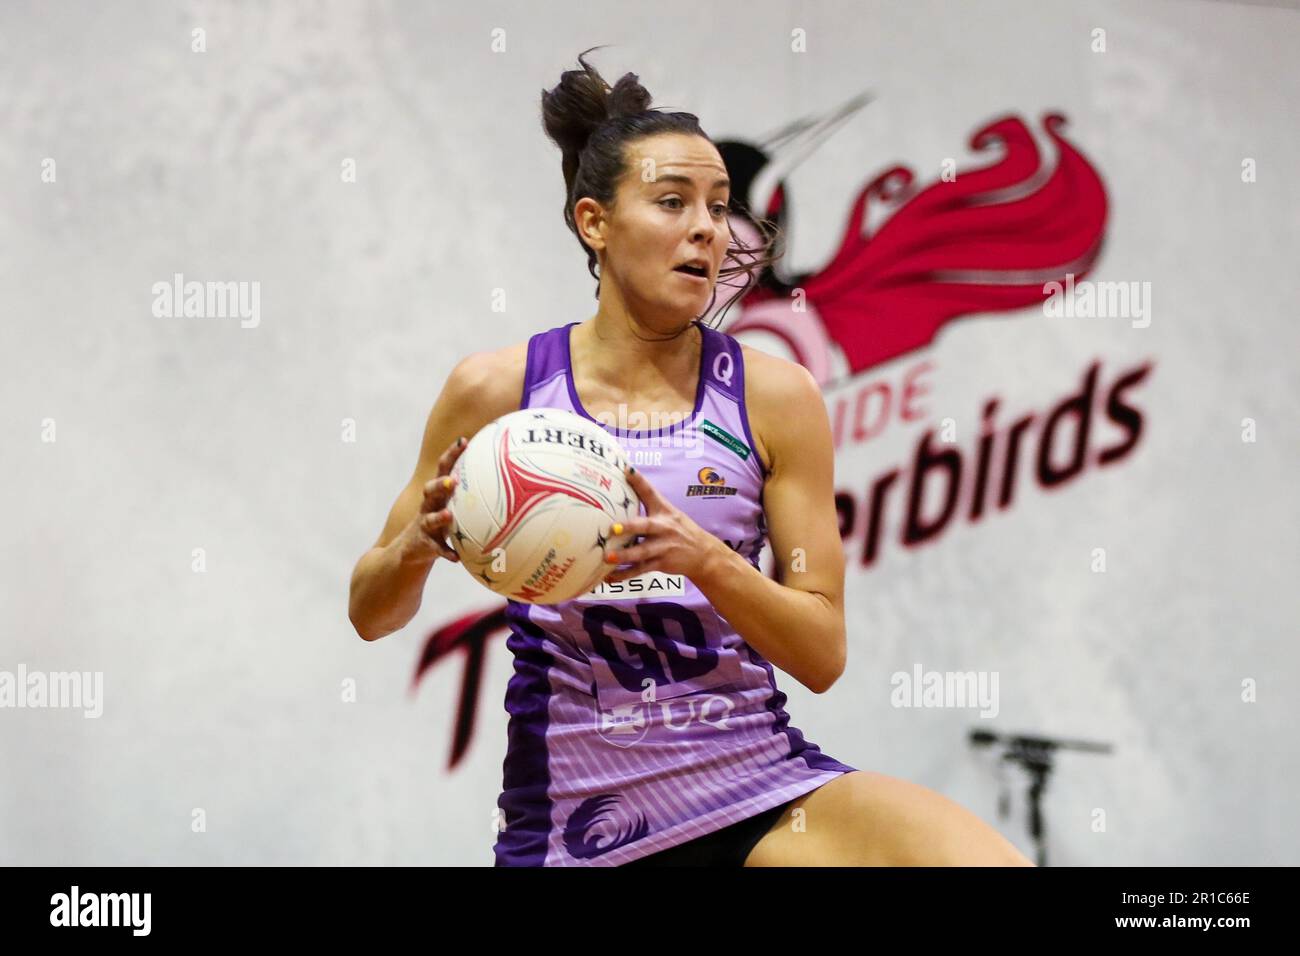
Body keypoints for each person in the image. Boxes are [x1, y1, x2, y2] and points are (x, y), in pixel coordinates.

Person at [349, 48, 1032, 868]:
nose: (708, 228)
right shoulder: (498, 390)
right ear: (594, 223)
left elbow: (822, 655)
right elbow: (369, 611)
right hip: (578, 825)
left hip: (756, 790)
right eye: (673, 203)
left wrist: (704, 557)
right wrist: (418, 546)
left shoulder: (775, 396)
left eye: (719, 206)